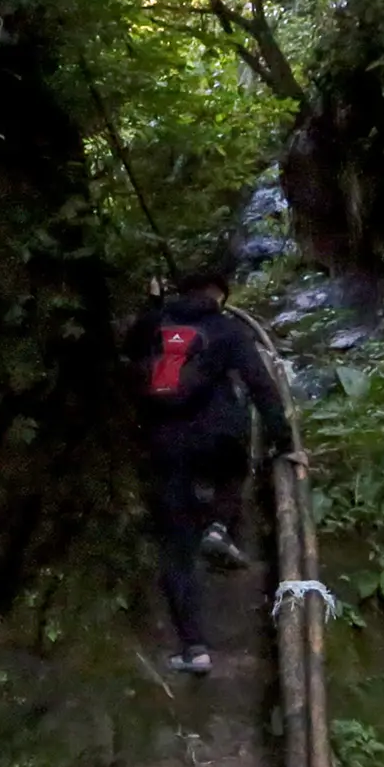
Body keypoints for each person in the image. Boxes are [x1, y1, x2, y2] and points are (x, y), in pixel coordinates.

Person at [130, 265, 297, 675]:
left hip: (165, 442)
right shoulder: (227, 329)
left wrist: (153, 304)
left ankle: (195, 649)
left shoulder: (155, 321)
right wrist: (285, 443)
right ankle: (220, 525)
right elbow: (259, 384)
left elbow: (130, 349)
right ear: (218, 294)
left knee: (176, 549)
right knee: (232, 466)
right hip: (220, 435)